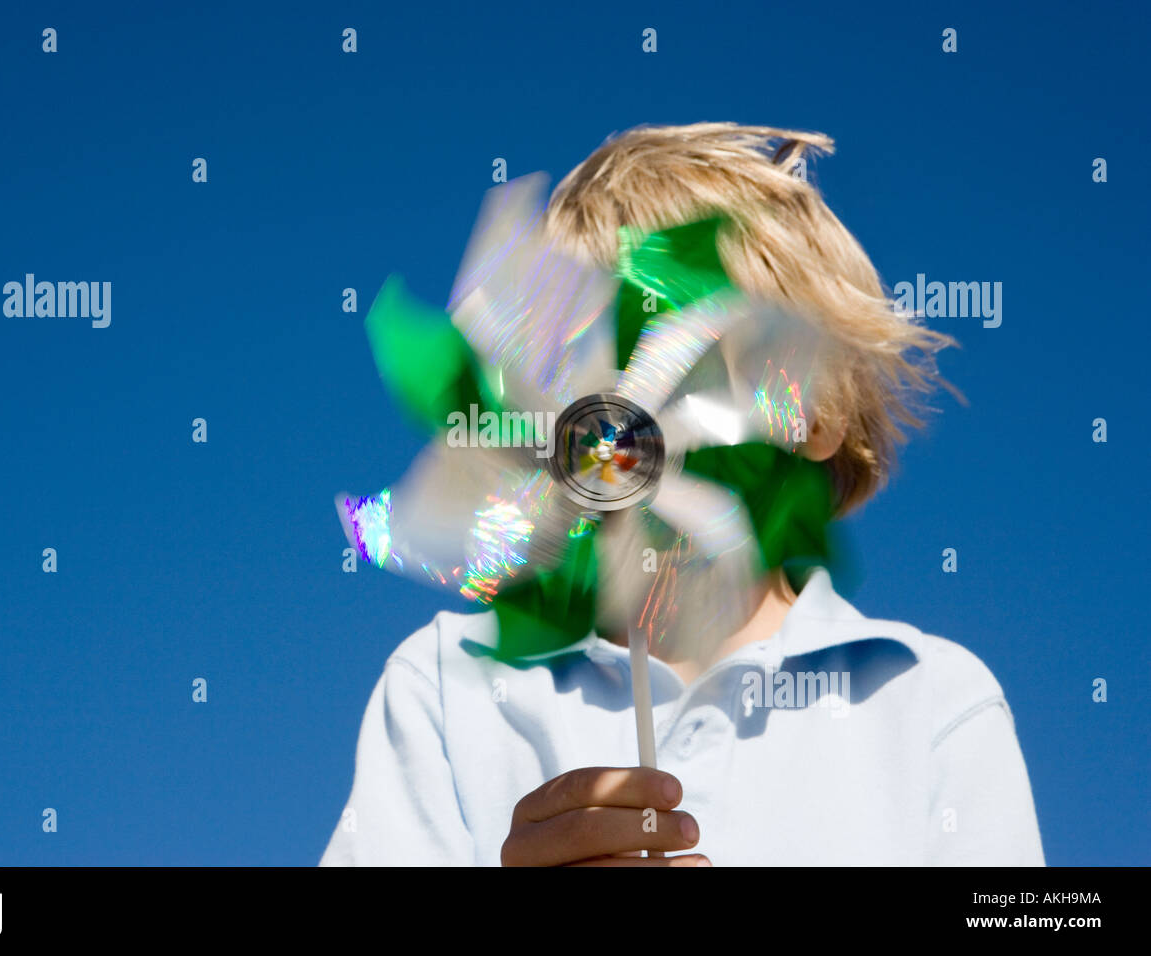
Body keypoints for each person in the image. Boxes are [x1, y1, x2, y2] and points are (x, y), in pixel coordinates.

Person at [320, 123, 1045, 866]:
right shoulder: (448, 687)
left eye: (680, 353)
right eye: (591, 357)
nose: (617, 412)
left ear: (815, 407)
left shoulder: (930, 704)